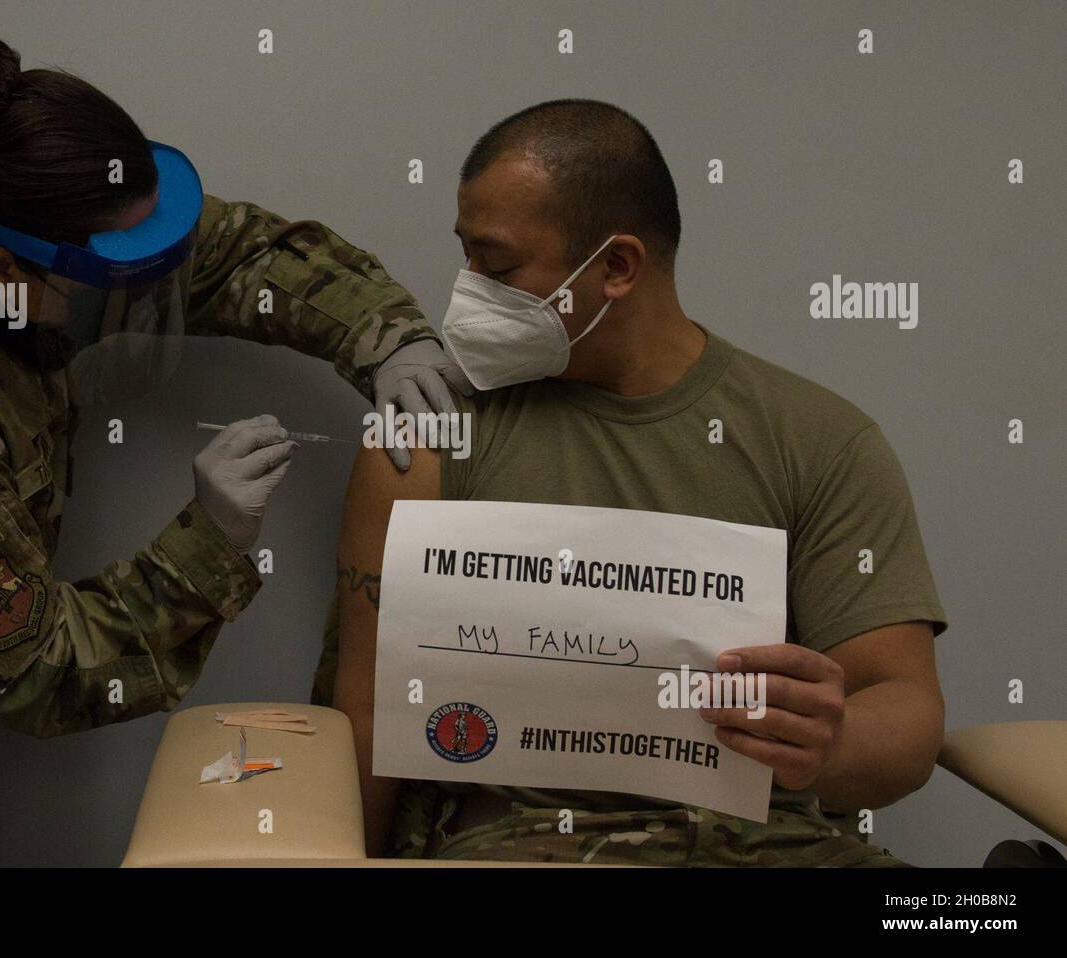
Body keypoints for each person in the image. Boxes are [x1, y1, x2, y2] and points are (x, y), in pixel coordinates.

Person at [0, 36, 468, 866]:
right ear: (1, 274)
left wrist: (387, 337)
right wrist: (208, 539)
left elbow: (224, 254)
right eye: (119, 277)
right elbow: (40, 673)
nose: (148, 293)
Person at [320, 99, 949, 866]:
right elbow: (367, 712)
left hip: (781, 844)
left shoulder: (819, 440)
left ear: (617, 267)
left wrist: (833, 739)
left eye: (499, 265)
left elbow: (908, 716)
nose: (468, 292)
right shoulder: (427, 440)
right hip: (528, 847)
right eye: (468, 257)